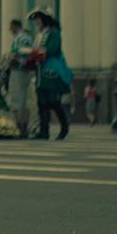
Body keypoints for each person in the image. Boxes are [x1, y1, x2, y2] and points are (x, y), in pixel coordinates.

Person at [29, 10, 71, 140]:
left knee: (53, 101)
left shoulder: (54, 33)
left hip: (51, 72)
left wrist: (38, 53)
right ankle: (44, 131)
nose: (36, 22)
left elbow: (52, 49)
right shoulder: (40, 34)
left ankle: (64, 127)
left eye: (38, 19)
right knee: (42, 103)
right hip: (40, 73)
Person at [3, 19, 34, 137]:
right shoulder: (26, 38)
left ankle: (19, 127)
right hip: (25, 71)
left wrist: (12, 59)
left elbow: (22, 54)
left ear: (16, 27)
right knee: (24, 100)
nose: (10, 30)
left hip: (19, 71)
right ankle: (23, 127)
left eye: (11, 28)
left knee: (17, 99)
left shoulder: (20, 38)